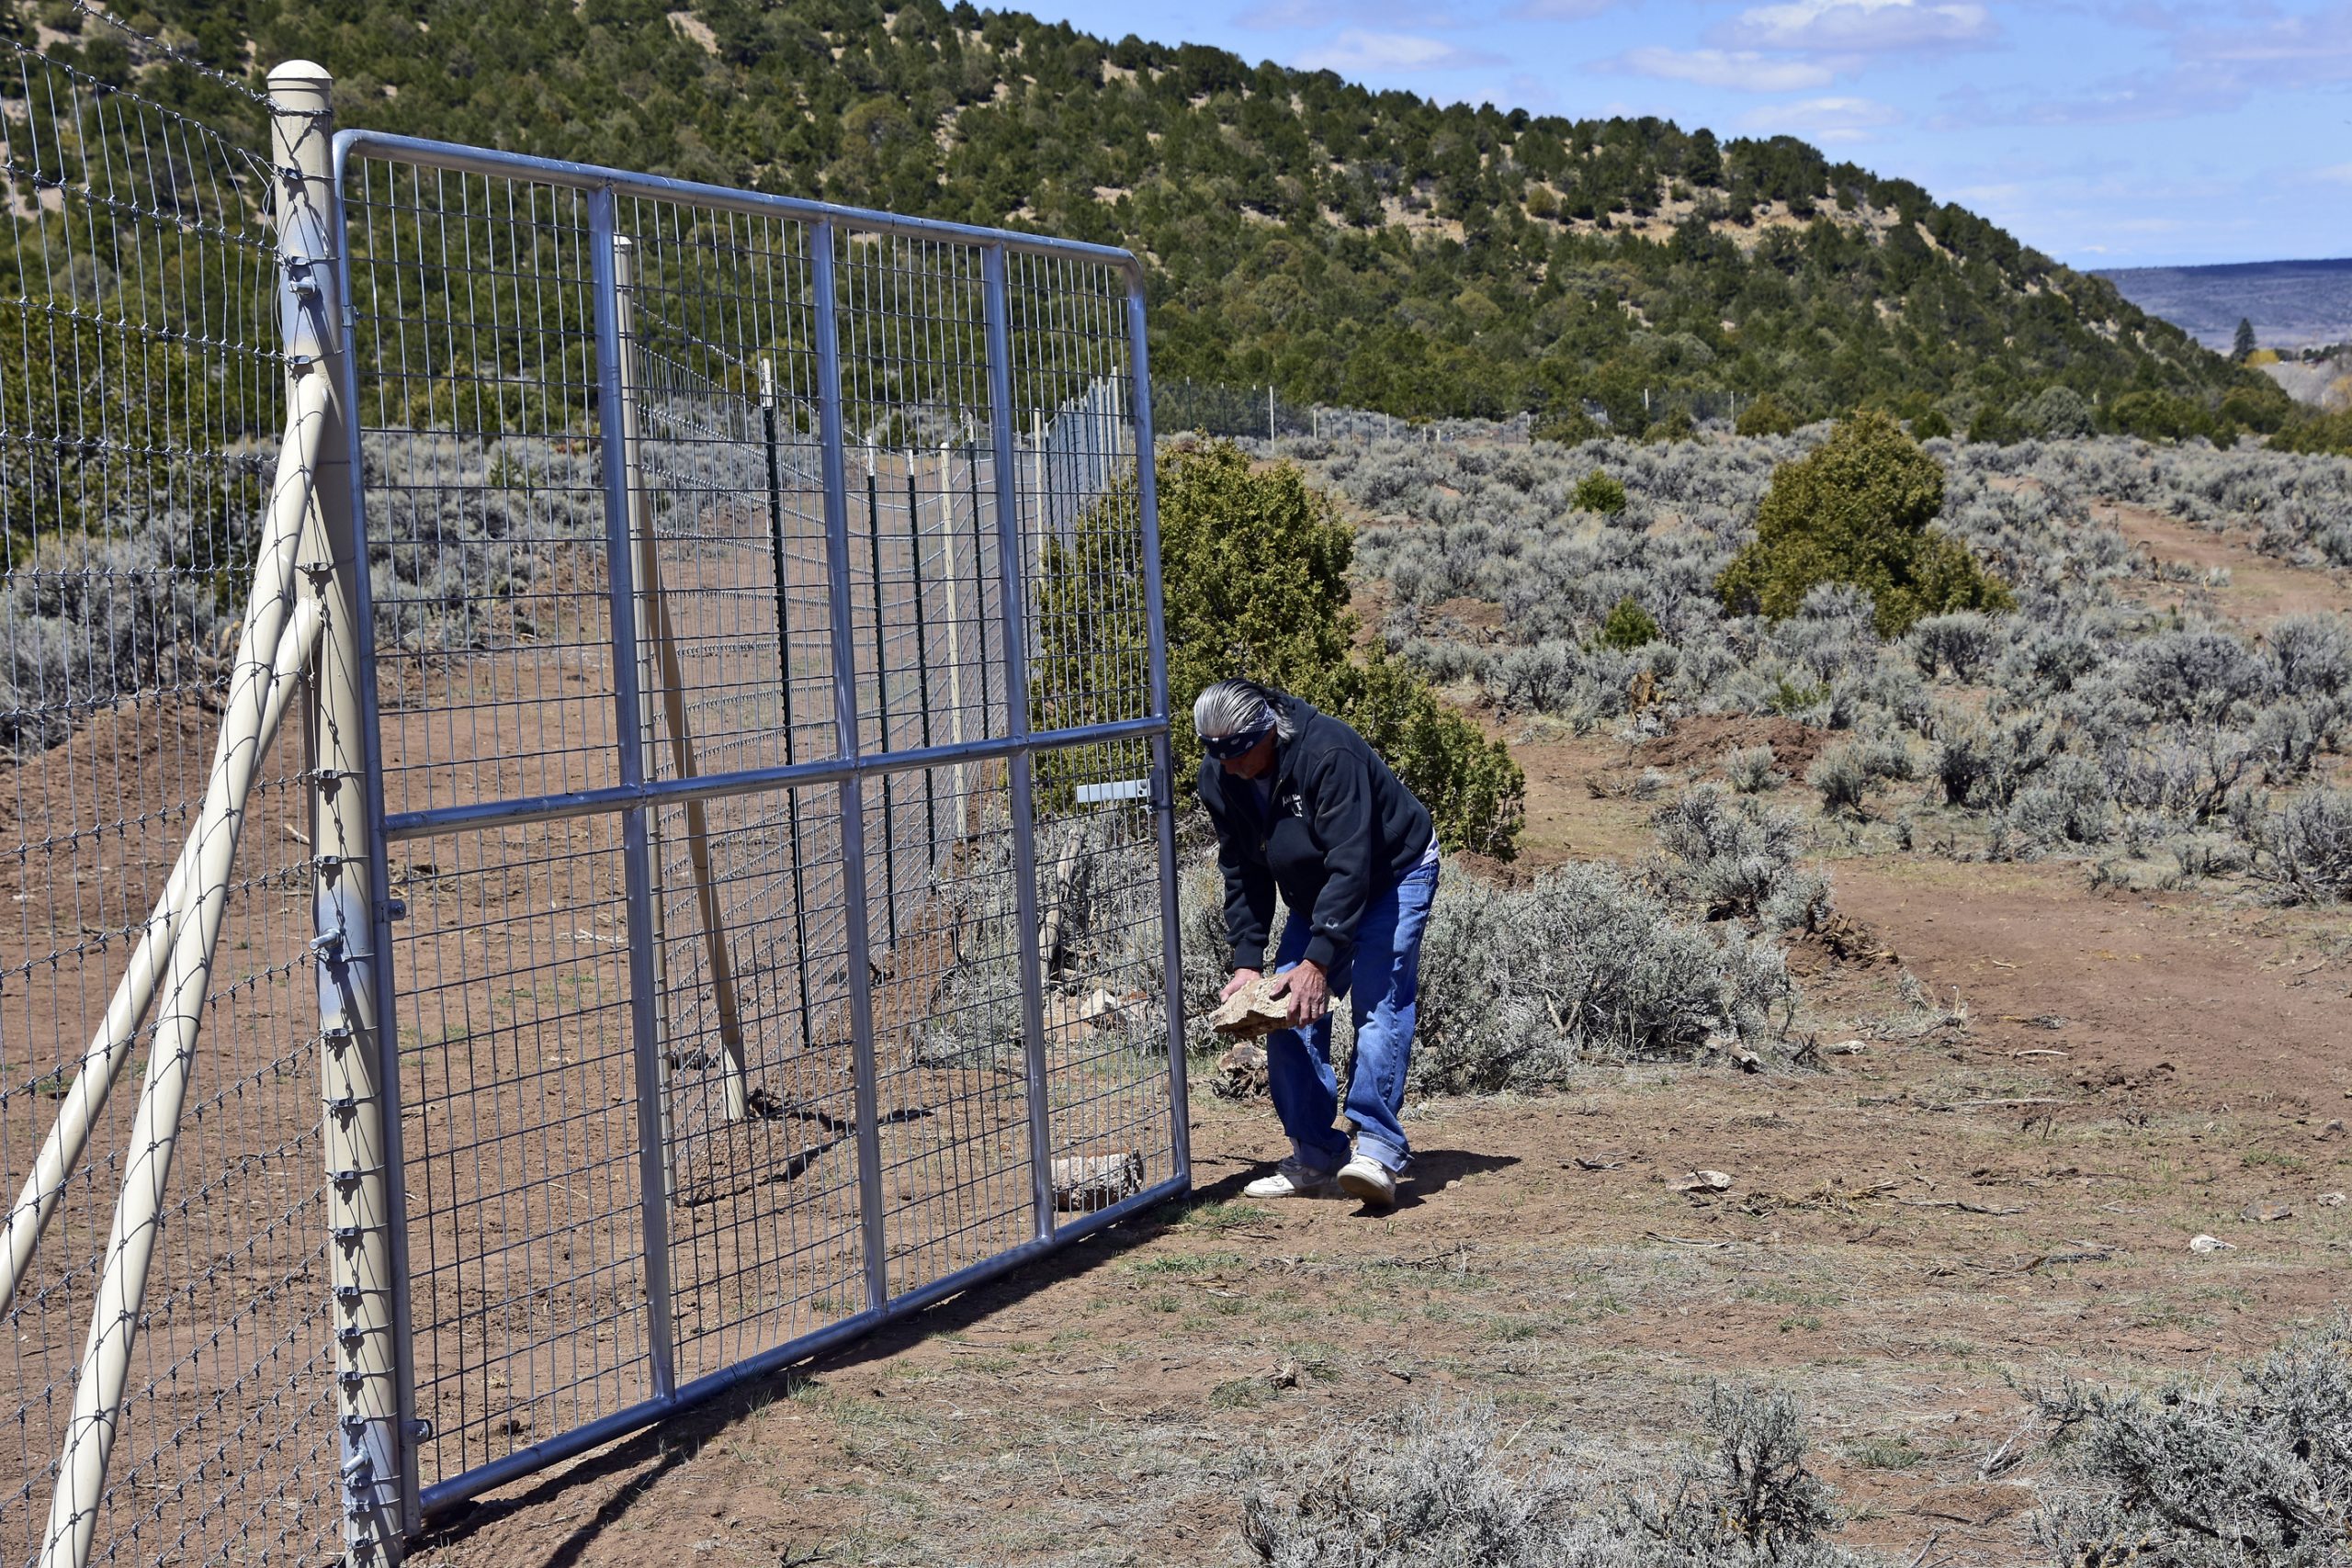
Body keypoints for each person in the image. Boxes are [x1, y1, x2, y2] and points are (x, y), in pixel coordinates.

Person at [1193, 677, 1440, 1210]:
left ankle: (1378, 1149)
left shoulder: (1330, 753)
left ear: (1269, 731)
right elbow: (1241, 870)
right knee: (1284, 1011)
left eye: (1239, 753)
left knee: (1379, 1001)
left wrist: (1317, 961)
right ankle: (1316, 1155)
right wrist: (1246, 963)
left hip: (1392, 875)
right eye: (1217, 756)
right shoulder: (1220, 775)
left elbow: (1352, 865)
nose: (1230, 767)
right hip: (1317, 894)